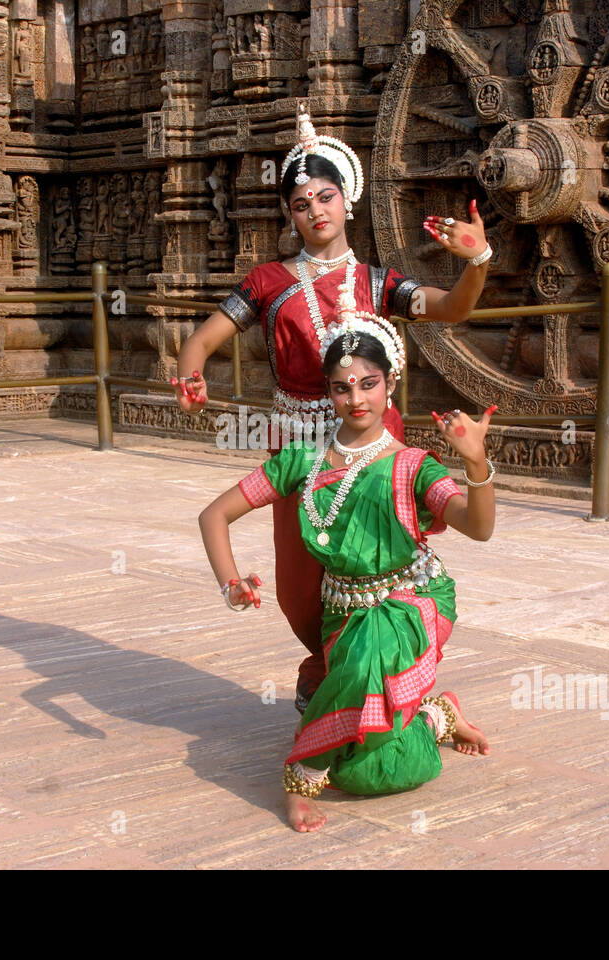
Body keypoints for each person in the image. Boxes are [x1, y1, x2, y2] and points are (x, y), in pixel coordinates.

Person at [176, 106, 493, 715]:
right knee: (299, 588)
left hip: (375, 445)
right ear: (290, 214)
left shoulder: (378, 282)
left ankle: (375, 686)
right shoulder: (269, 281)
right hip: (300, 447)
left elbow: (452, 309)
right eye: (301, 203)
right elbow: (202, 340)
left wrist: (475, 262)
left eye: (325, 197)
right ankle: (332, 668)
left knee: (382, 570)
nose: (315, 211)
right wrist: (189, 376)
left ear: (347, 200)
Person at [198, 280, 496, 831]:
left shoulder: (413, 465)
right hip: (343, 613)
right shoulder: (303, 462)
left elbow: (477, 528)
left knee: (366, 659)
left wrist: (477, 467)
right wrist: (231, 584)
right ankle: (436, 716)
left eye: (368, 383)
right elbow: (213, 516)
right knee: (376, 769)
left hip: (411, 605)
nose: (356, 398)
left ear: (390, 385)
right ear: (327, 392)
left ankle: (301, 771)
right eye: (341, 387)